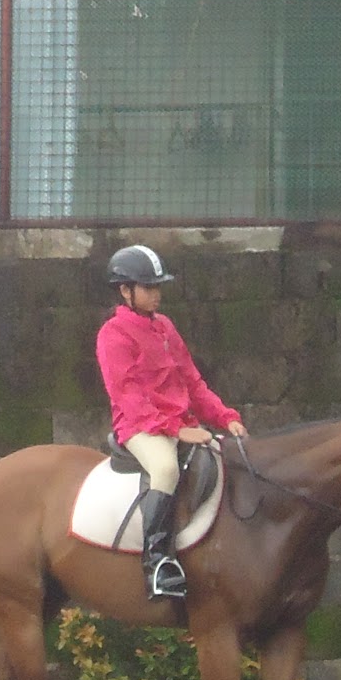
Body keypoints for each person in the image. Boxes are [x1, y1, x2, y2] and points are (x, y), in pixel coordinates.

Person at [97, 244, 247, 600]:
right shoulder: (113, 334)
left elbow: (192, 382)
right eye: (149, 288)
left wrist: (226, 418)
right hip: (141, 427)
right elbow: (128, 396)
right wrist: (176, 430)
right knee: (165, 469)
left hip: (181, 421)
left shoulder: (164, 327)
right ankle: (158, 564)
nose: (156, 295)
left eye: (158, 287)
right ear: (125, 291)